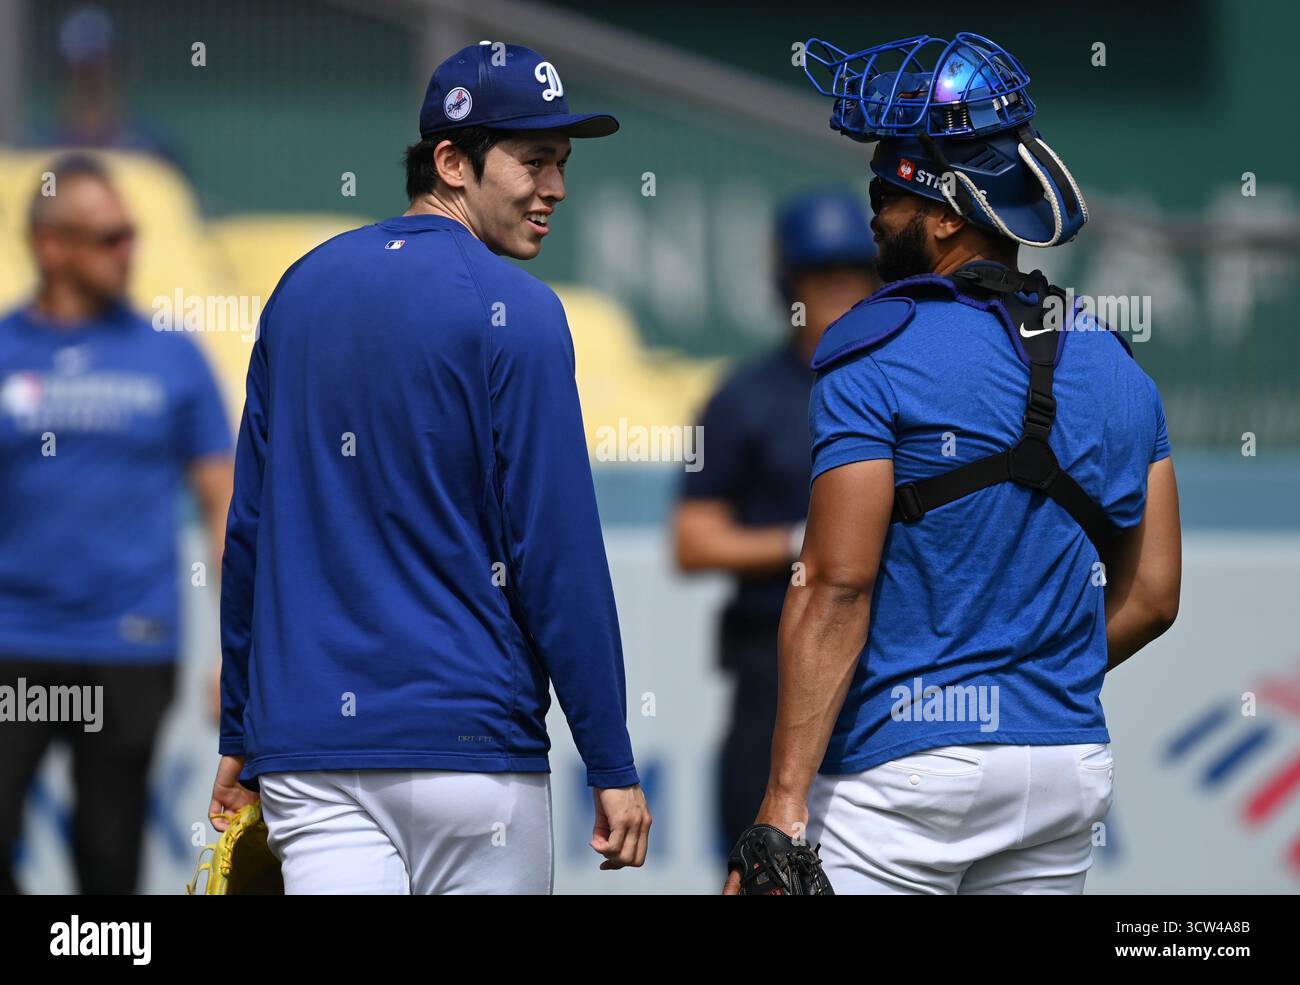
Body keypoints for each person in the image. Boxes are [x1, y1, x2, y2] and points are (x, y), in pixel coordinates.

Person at [727, 32, 1180, 894]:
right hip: (1064, 768)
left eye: (888, 188)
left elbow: (833, 585)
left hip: (902, 778)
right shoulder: (1120, 367)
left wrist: (780, 813)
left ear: (945, 214)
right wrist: (1029, 681)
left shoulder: (874, 348)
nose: (872, 212)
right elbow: (1155, 593)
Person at [207, 43, 651, 895]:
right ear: (451, 160)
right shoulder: (520, 312)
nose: (556, 187)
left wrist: (241, 730)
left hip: (316, 758)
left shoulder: (299, 291)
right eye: (533, 161)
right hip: (473, 756)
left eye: (560, 163)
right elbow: (555, 555)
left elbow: (250, 530)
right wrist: (611, 757)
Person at [0, 154, 233, 893]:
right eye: (107, 238)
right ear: (50, 246)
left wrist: (239, 648)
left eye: (130, 234)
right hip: (14, 639)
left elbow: (221, 505)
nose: (128, 251)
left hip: (130, 640)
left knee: (109, 850)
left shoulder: (173, 357)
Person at [673, 190, 878, 849]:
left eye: (855, 272)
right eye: (822, 275)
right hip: (776, 662)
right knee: (765, 863)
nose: (841, 289)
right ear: (788, 282)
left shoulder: (901, 385)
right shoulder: (747, 398)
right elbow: (693, 538)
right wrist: (808, 545)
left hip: (889, 665)